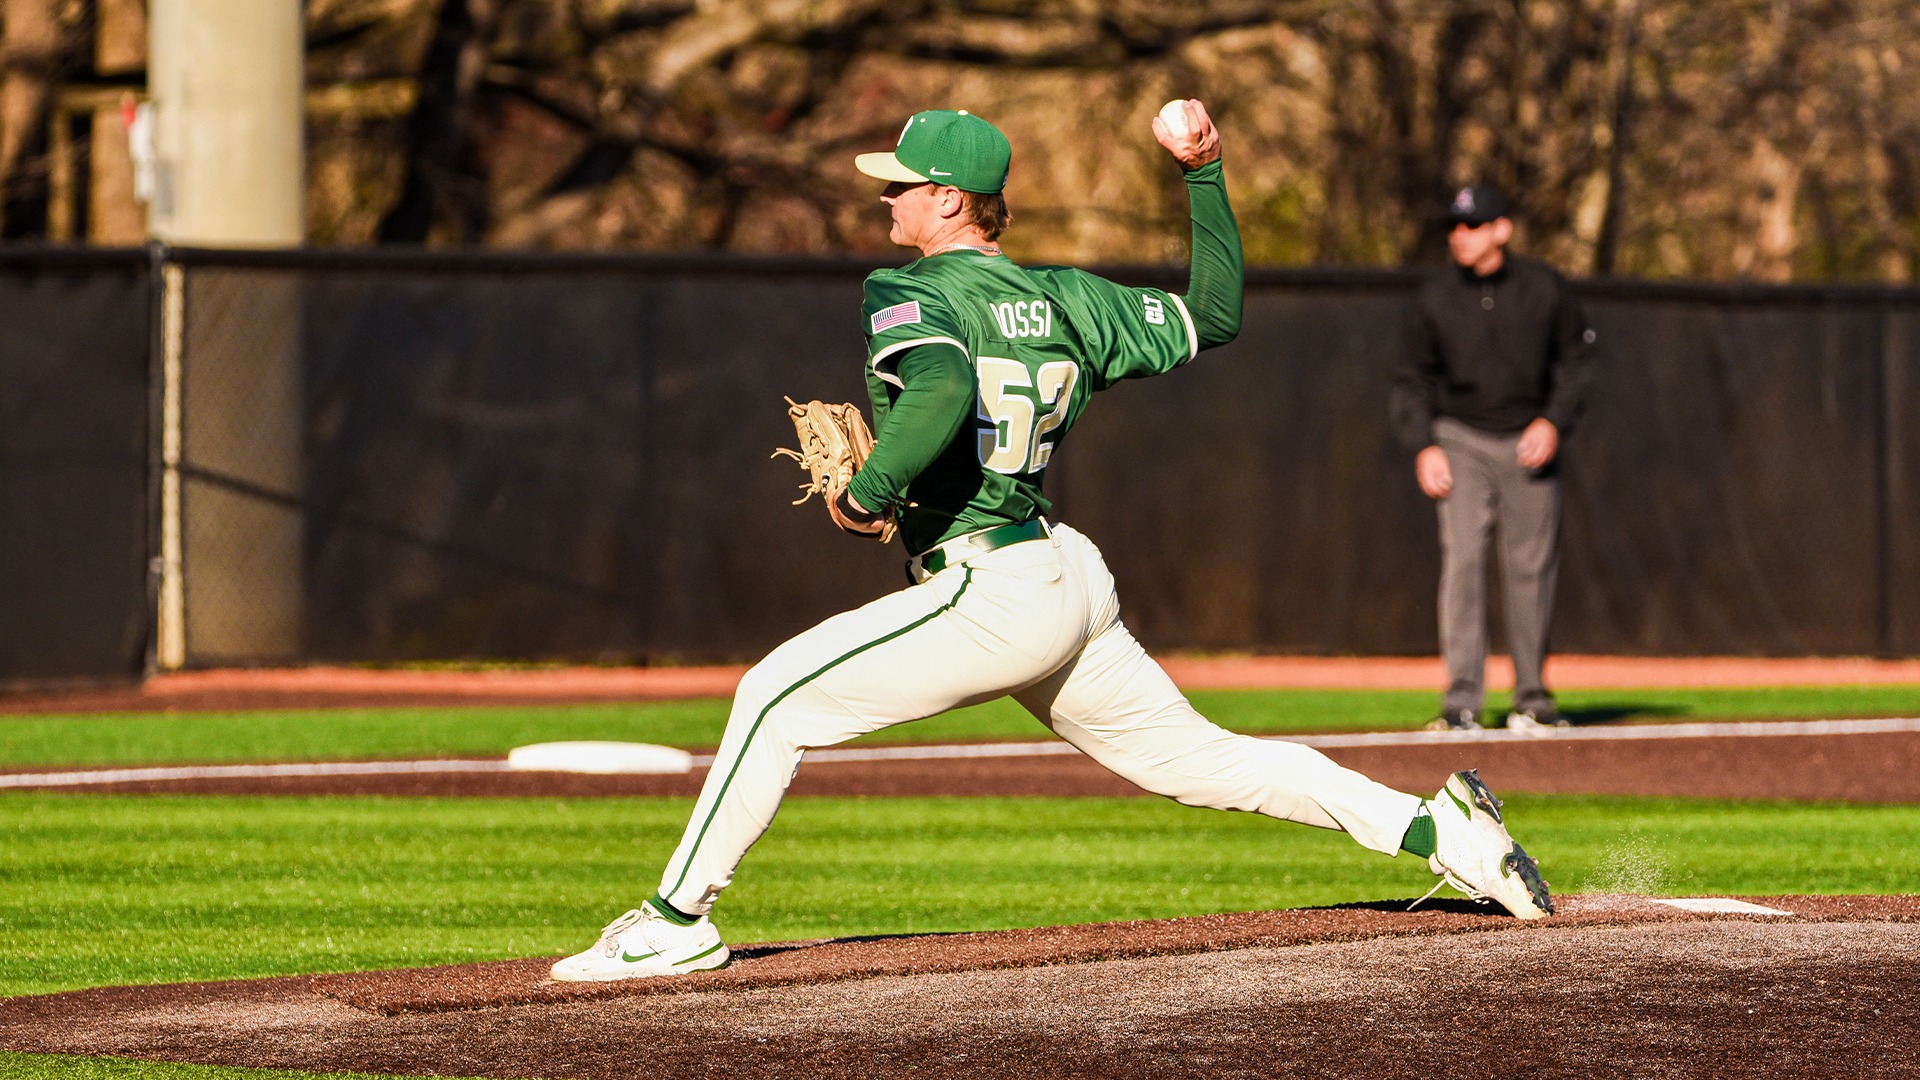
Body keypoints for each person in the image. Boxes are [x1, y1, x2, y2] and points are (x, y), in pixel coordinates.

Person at [551, 106, 1553, 982]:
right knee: (1200, 761)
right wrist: (1201, 171)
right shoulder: (1070, 300)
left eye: (901, 187)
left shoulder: (914, 292)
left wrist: (868, 492)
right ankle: (1436, 830)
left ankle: (677, 923)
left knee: (770, 695)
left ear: (950, 201)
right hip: (1063, 574)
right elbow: (1214, 313)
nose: (887, 202)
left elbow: (940, 389)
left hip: (995, 587)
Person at [1390, 185, 1598, 733]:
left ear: (1502, 229)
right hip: (1461, 440)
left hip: (1529, 439)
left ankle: (1532, 698)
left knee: (1530, 569)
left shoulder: (1543, 288)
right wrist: (1425, 444)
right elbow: (1410, 379)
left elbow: (1576, 361)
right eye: (1456, 226)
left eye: (1474, 225)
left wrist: (1554, 420)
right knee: (1462, 564)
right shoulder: (1435, 297)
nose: (1461, 235)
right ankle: (1461, 701)